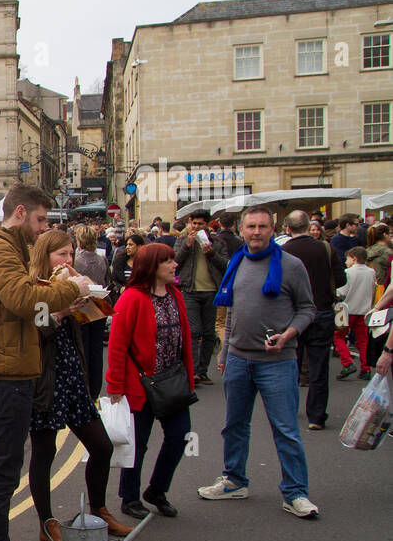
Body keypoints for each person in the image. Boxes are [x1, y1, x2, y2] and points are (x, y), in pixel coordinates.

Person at [0, 185, 91, 541]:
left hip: (12, 366)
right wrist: (74, 288)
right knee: (4, 467)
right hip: (4, 372)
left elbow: (17, 310)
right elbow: (20, 298)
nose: (43, 230)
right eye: (40, 221)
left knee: (8, 464)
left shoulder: (4, 247)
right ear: (20, 212)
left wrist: (58, 308)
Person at [199, 205, 318, 518]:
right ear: (241, 229)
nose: (256, 232)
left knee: (286, 429)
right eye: (251, 226)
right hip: (238, 358)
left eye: (262, 227)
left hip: (277, 362)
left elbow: (308, 309)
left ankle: (295, 493)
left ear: (273, 228)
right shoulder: (237, 262)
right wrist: (224, 354)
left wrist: (288, 334)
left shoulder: (291, 266)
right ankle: (234, 481)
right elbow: (235, 311)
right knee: (234, 426)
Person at [28, 231, 129, 541]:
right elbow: (35, 332)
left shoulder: (70, 282)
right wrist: (62, 310)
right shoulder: (32, 288)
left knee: (102, 446)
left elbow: (98, 316)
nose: (67, 260)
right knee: (45, 452)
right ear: (45, 256)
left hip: (73, 376)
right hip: (45, 380)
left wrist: (84, 292)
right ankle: (47, 524)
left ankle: (99, 511)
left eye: (70, 254)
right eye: (61, 255)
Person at [107, 243, 196, 520]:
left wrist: (190, 379)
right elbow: (117, 344)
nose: (174, 265)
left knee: (180, 435)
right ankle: (129, 497)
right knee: (138, 443)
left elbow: (185, 341)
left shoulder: (175, 295)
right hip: (140, 384)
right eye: (167, 261)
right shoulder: (132, 298)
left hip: (171, 382)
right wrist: (115, 386)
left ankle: (156, 490)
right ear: (152, 267)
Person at [280, 209, 344, 429]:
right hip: (322, 311)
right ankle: (316, 416)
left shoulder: (283, 251)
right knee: (318, 366)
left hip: (292, 314)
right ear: (309, 226)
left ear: (287, 228)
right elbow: (341, 278)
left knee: (290, 364)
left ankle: (288, 410)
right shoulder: (326, 248)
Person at [172, 211, 229, 386]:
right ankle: (194, 371)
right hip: (189, 290)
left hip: (211, 291)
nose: (196, 227)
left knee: (209, 332)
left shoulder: (217, 243)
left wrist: (211, 253)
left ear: (207, 225)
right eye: (194, 224)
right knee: (194, 331)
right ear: (190, 223)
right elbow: (175, 263)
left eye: (200, 224)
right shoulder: (182, 241)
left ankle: (202, 371)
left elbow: (226, 265)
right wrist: (187, 246)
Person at [72, 224, 108, 398]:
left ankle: (84, 389)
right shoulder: (102, 259)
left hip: (83, 306)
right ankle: (94, 390)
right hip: (100, 304)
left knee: (83, 349)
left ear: (79, 242)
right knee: (96, 350)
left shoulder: (77, 261)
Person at [334, 246, 376, 380]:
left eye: (347, 258)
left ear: (354, 258)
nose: (346, 261)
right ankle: (366, 368)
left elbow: (341, 292)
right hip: (364, 311)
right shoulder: (371, 272)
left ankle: (347, 363)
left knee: (338, 336)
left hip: (345, 309)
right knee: (363, 341)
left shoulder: (347, 272)